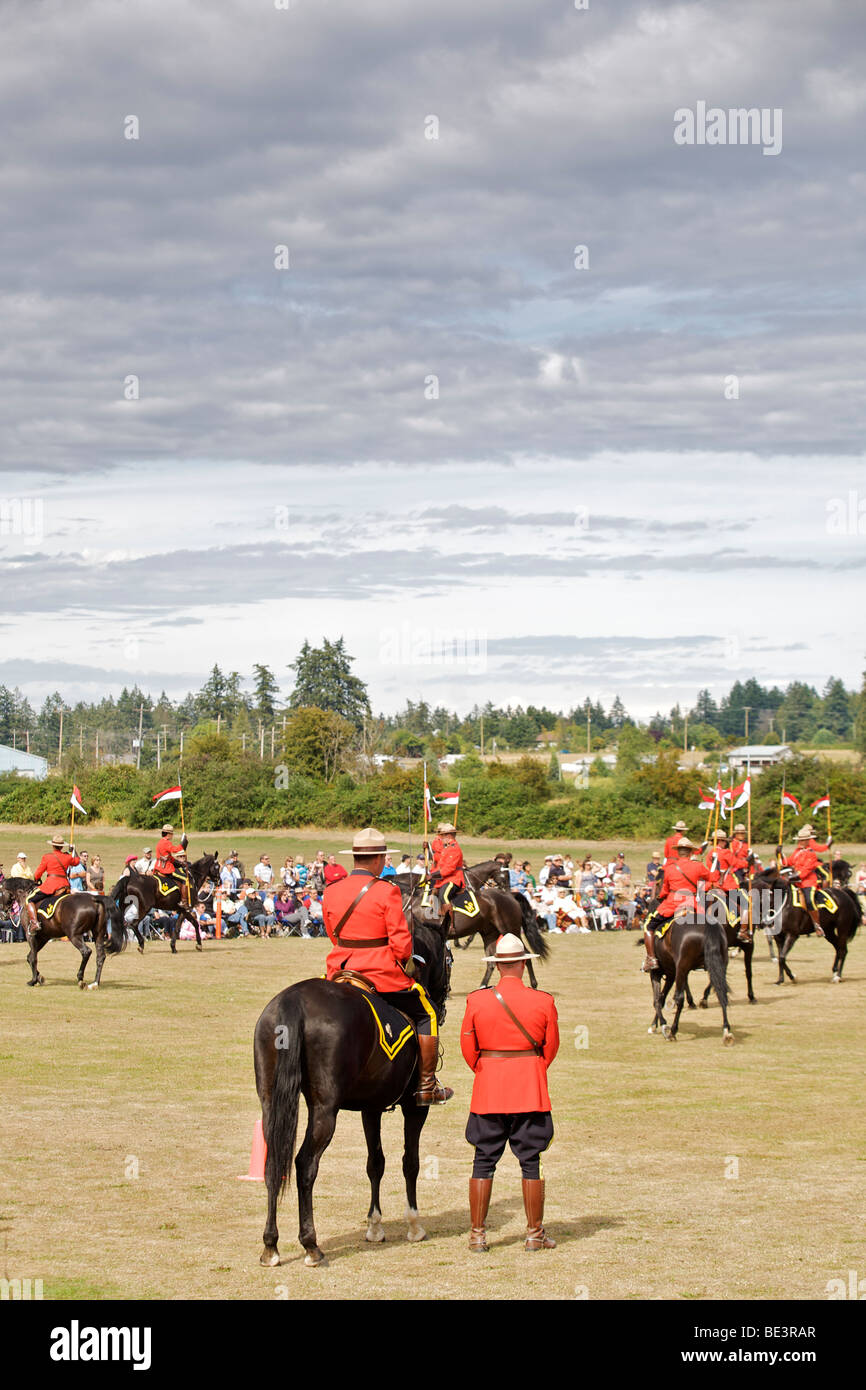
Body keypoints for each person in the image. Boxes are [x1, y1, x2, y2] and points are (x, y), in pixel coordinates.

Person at [324, 827, 452, 1105]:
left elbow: (333, 934)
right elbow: (401, 943)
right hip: (380, 972)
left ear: (355, 858)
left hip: (340, 969)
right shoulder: (387, 891)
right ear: (379, 859)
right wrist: (406, 963)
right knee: (427, 1012)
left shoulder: (332, 890)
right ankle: (427, 1085)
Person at [460, 933, 559, 1254]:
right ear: (522, 963)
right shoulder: (544, 1001)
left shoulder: (476, 1000)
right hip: (530, 1088)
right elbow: (551, 1048)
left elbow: (467, 1048)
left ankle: (477, 1235)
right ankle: (534, 1234)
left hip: (488, 1088)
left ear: (499, 966)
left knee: (482, 1160)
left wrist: (487, 1069)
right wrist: (531, 1068)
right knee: (531, 1162)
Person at [642, 837, 709, 970]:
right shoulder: (698, 866)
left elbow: (665, 890)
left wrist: (660, 897)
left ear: (678, 852)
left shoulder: (670, 868)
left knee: (649, 926)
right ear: (690, 852)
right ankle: (705, 958)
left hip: (672, 905)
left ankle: (651, 959)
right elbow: (711, 880)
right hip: (692, 904)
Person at [777, 825, 833, 937]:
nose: (801, 842)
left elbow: (806, 870)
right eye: (800, 840)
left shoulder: (811, 853)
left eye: (803, 840)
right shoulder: (797, 851)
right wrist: (780, 854)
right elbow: (788, 862)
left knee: (809, 901)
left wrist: (795, 876)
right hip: (796, 882)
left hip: (808, 882)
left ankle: (817, 925)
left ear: (808, 841)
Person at [26, 834, 81, 932]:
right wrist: (73, 851)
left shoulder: (47, 857)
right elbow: (77, 861)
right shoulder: (67, 857)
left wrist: (36, 878)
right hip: (64, 886)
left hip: (50, 886)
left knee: (29, 899)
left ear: (52, 845)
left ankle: (34, 923)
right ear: (62, 846)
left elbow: (38, 873)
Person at [427, 823, 472, 921]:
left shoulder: (454, 849)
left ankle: (450, 924)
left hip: (454, 879)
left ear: (448, 836)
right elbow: (440, 865)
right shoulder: (447, 848)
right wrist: (432, 873)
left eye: (442, 835)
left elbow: (450, 868)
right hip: (445, 879)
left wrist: (434, 875)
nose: (440, 837)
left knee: (444, 896)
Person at [154, 824, 191, 902]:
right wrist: (184, 842)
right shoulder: (166, 842)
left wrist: (179, 863)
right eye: (172, 834)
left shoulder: (160, 842)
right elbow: (176, 849)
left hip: (159, 867)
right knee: (185, 878)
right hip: (166, 869)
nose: (172, 835)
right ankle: (184, 901)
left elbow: (169, 857)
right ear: (169, 834)